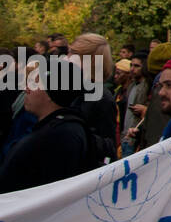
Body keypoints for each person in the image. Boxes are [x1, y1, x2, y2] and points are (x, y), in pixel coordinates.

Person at [0, 57, 105, 193]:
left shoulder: (59, 136)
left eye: (34, 83)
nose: (26, 89)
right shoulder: (63, 128)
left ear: (51, 92)